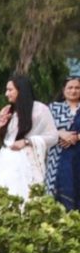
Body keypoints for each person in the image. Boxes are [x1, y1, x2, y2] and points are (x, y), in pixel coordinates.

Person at [0, 74, 57, 199]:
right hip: (6, 162)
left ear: (21, 90)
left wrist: (27, 141)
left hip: (28, 163)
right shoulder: (8, 111)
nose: (6, 94)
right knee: (4, 198)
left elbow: (53, 137)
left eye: (10, 90)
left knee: (27, 198)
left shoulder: (39, 109)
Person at [46, 76, 80, 209]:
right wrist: (60, 133)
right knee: (60, 196)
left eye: (77, 88)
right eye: (70, 88)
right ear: (63, 90)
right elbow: (43, 129)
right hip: (57, 158)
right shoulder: (53, 108)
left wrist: (77, 137)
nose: (73, 91)